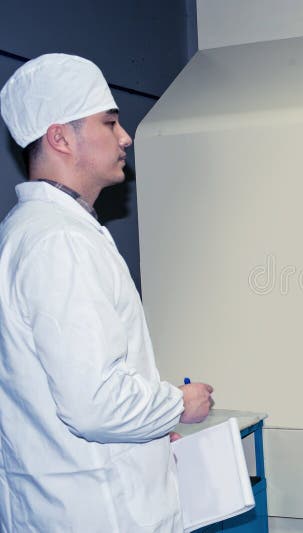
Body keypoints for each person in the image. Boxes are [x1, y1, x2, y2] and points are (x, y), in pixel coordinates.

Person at [0, 53, 214, 532]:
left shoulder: (30, 232)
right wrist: (179, 404)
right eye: (110, 122)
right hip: (100, 512)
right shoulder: (59, 241)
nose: (125, 137)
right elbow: (93, 403)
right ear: (60, 138)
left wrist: (151, 436)